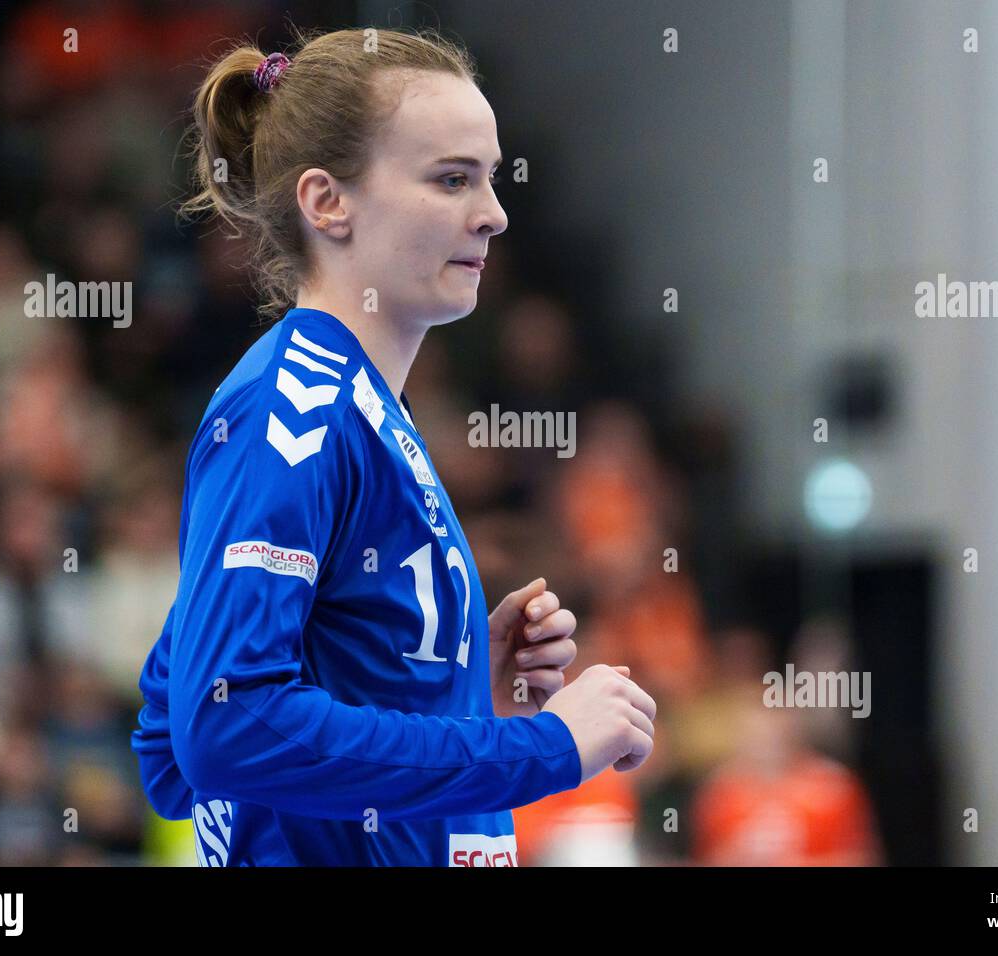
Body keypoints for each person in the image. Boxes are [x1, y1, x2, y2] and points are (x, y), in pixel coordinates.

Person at [130, 26, 656, 867]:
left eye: (490, 177)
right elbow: (218, 731)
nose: (494, 213)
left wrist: (443, 684)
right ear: (327, 202)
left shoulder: (364, 406)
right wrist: (543, 749)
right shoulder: (293, 411)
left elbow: (171, 741)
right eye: (452, 179)